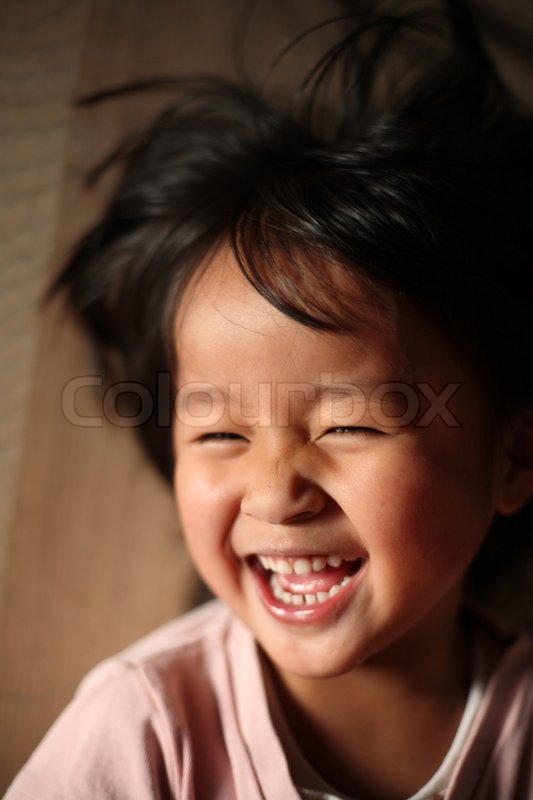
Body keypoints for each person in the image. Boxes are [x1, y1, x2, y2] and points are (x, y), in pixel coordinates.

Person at [5, 2, 533, 798]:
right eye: (218, 434)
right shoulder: (145, 728)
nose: (275, 491)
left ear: (514, 457)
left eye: (349, 422)